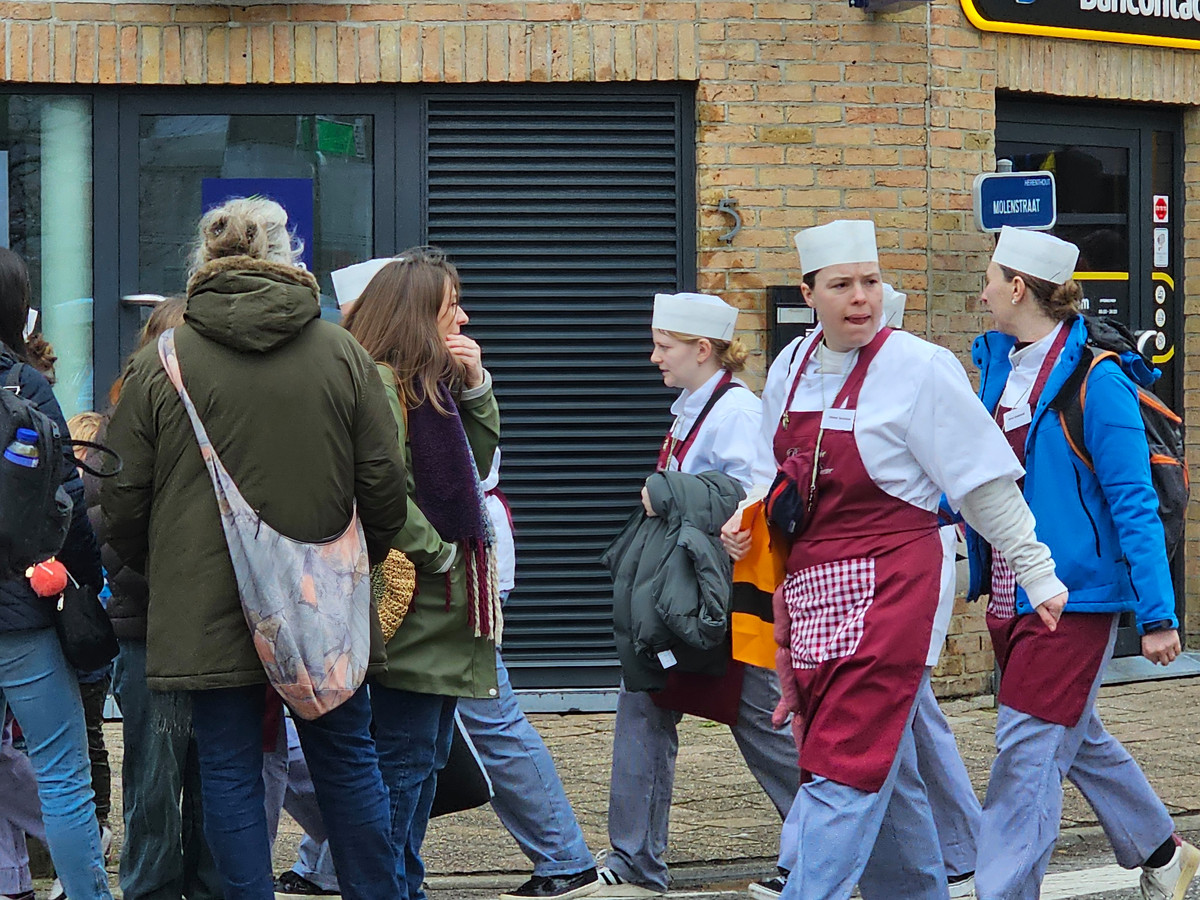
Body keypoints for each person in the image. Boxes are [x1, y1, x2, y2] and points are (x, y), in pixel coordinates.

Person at [722, 220, 1067, 900]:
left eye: (871, 282)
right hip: (815, 594)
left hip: (894, 593)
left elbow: (982, 481)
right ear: (809, 293)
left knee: (844, 766)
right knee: (888, 764)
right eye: (842, 285)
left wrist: (1036, 569)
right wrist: (750, 515)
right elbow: (769, 472)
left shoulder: (917, 367)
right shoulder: (790, 368)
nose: (861, 298)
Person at [101, 197, 410, 900]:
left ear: (204, 261)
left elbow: (122, 501)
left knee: (230, 768)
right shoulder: (342, 353)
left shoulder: (162, 362)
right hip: (320, 605)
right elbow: (386, 487)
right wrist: (352, 565)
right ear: (287, 252)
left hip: (206, 608)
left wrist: (175, 571)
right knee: (348, 760)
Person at [969, 226, 1200, 900]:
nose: (982, 292)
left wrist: (1158, 614)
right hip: (1013, 589)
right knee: (1075, 735)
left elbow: (1134, 502)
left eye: (990, 278)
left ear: (1018, 288)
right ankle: (1166, 852)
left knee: (1026, 751)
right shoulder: (997, 366)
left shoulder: (1099, 381)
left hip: (1078, 597)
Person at [261, 449, 599, 900]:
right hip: (433, 567)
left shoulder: (419, 384)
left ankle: (564, 858)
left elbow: (435, 471)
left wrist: (437, 555)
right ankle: (333, 866)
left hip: (444, 576)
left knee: (476, 724)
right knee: (384, 732)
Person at [594, 292, 800, 899]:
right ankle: (634, 859)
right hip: (690, 598)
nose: (654, 356)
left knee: (761, 724)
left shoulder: (734, 410)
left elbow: (758, 491)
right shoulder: (696, 406)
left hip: (723, 601)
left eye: (665, 346)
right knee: (646, 705)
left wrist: (680, 498)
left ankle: (829, 839)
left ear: (702, 349)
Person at [342, 246, 501, 900]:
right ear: (414, 316)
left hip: (441, 608)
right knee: (403, 765)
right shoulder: (381, 384)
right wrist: (436, 552)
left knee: (424, 761)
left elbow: (479, 466)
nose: (462, 318)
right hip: (411, 606)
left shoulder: (430, 385)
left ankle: (404, 884)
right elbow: (379, 490)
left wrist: (479, 388)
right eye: (449, 307)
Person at [0, 246, 112, 900]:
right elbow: (67, 500)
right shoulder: (26, 384)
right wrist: (90, 586)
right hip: (23, 612)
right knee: (63, 775)